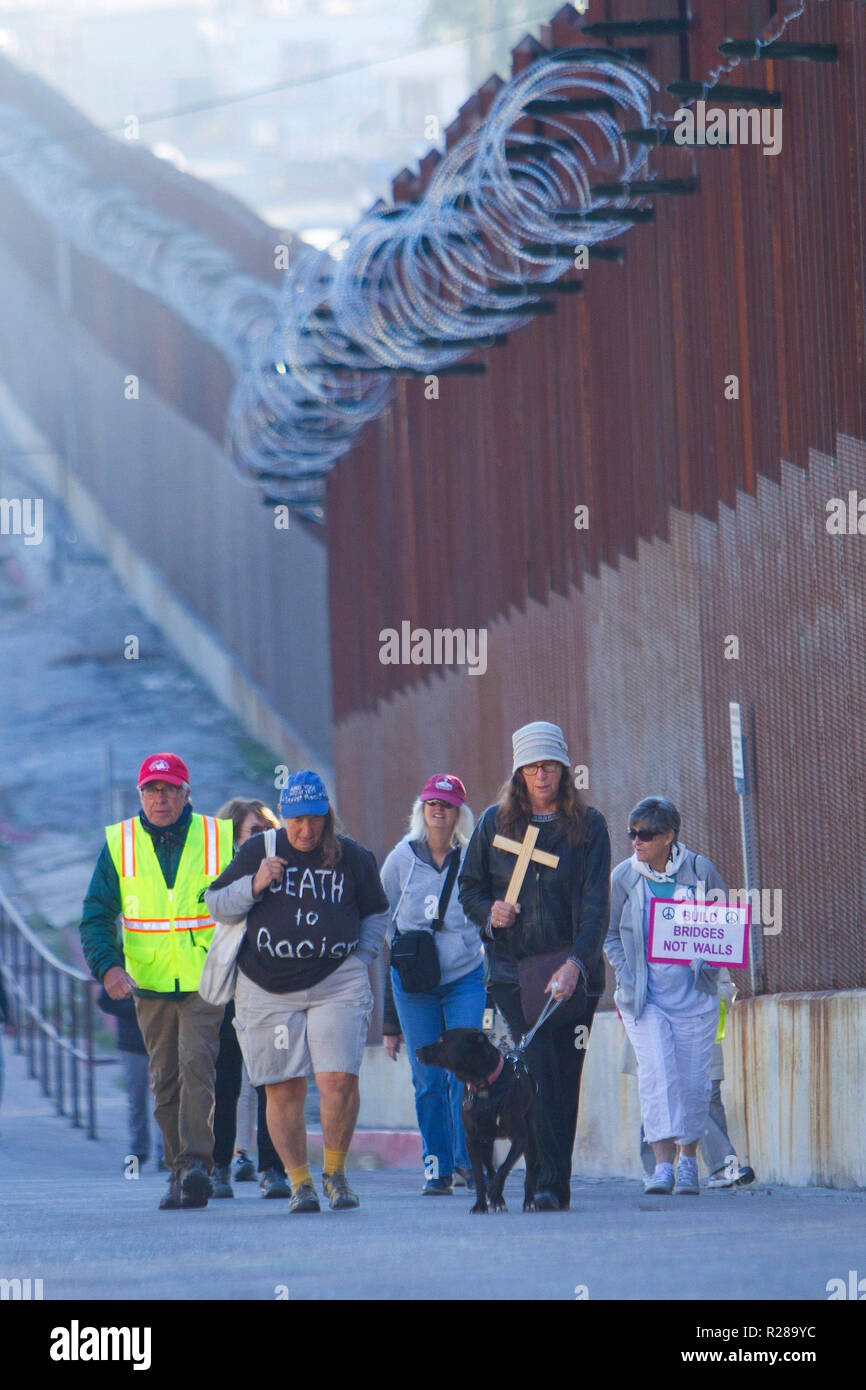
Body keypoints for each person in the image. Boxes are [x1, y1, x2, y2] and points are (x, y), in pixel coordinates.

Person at [205, 770, 390, 1213]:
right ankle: (299, 1182)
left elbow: (378, 913)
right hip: (267, 987)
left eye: (315, 820)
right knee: (282, 1087)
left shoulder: (353, 858)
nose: (306, 830)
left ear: (327, 817)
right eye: (296, 821)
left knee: (338, 1078)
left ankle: (336, 1173)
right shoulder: (258, 851)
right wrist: (254, 884)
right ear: (283, 818)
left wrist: (358, 959)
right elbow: (215, 902)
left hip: (335, 983)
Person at [459, 721, 611, 1211]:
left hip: (573, 976)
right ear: (518, 773)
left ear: (565, 771)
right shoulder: (492, 824)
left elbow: (596, 907)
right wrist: (490, 914)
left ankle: (554, 1182)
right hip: (511, 973)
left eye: (549, 766)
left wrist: (575, 964)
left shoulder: (589, 828)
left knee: (564, 1074)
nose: (541, 776)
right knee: (539, 1071)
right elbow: (470, 888)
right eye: (531, 767)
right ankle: (545, 1183)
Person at [78, 753, 232, 1210]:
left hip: (206, 980)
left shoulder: (217, 837)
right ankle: (180, 1171)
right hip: (147, 985)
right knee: (164, 1079)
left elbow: (247, 900)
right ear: (140, 794)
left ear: (187, 793)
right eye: (150, 789)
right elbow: (96, 915)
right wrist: (108, 967)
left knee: (197, 1067)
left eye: (168, 789)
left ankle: (197, 1164)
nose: (158, 797)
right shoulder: (120, 843)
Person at [605, 796, 726, 1197]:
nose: (636, 841)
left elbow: (723, 926)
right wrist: (626, 974)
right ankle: (661, 1166)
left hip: (695, 998)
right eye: (632, 834)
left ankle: (688, 1162)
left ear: (670, 835)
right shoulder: (623, 876)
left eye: (646, 834)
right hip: (645, 1000)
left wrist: (706, 962)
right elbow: (608, 933)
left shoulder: (699, 870)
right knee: (657, 1076)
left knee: (694, 1083)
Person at [380, 774, 484, 1195]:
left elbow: (485, 909)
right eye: (431, 804)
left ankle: (467, 1161)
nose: (438, 811)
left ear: (459, 813)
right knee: (427, 1075)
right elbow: (378, 917)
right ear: (421, 811)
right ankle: (436, 1168)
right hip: (414, 983)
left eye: (446, 805)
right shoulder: (400, 859)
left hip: (464, 976)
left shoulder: (473, 856)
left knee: (467, 1069)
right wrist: (408, 954)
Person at [211, 797, 289, 1199]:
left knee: (270, 1081)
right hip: (228, 986)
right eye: (253, 833)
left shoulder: (283, 868)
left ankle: (273, 1169)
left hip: (268, 984)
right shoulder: (222, 874)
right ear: (233, 837)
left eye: (267, 830)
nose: (263, 839)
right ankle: (220, 1165)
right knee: (225, 1081)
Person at [618, 981, 756, 1187]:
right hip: (655, 1005)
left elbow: (722, 967)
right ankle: (657, 1168)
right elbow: (621, 955)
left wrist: (718, 992)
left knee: (705, 1092)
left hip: (701, 1013)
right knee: (661, 1088)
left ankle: (718, 1167)